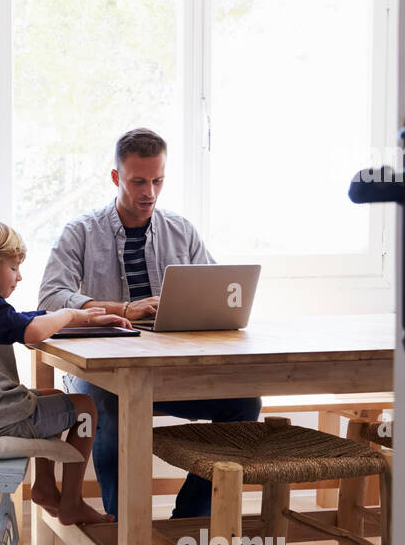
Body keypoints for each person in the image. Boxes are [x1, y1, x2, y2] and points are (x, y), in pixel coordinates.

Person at [38, 128, 262, 520]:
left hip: (166, 375)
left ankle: (188, 519)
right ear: (115, 178)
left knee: (245, 403)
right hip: (99, 375)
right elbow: (49, 299)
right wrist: (124, 309)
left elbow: (218, 292)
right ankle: (124, 531)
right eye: (138, 181)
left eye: (158, 180)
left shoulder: (182, 230)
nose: (150, 192)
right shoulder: (80, 232)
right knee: (108, 402)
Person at [0, 219, 132, 526]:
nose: (19, 276)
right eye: (13, 268)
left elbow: (21, 319)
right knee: (86, 408)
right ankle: (71, 500)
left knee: (54, 396)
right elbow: (30, 331)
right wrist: (68, 313)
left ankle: (43, 486)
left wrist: (79, 317)